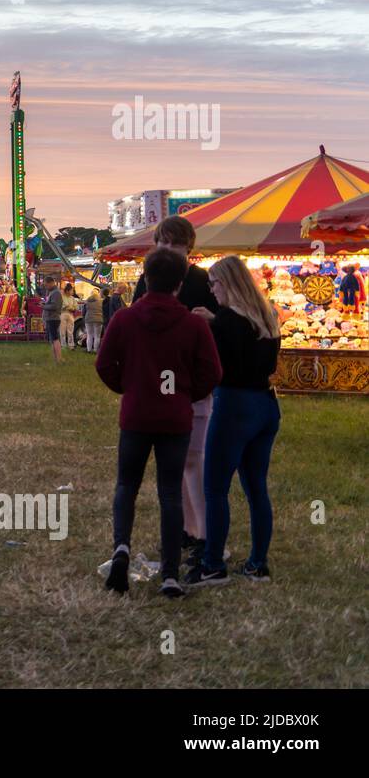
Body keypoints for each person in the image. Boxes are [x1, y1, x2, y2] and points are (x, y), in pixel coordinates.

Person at [95, 247, 222, 598]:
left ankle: (122, 546)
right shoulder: (194, 324)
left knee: (127, 485)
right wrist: (186, 394)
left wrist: (129, 387)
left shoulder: (124, 319)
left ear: (146, 279)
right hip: (175, 417)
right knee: (170, 493)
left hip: (137, 413)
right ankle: (169, 574)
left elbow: (104, 365)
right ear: (179, 284)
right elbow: (213, 371)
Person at [185, 256, 282, 587]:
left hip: (234, 404)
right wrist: (216, 319)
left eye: (214, 284)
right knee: (256, 489)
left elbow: (220, 362)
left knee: (215, 487)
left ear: (227, 283)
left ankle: (212, 564)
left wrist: (210, 324)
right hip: (267, 405)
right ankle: (258, 563)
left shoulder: (225, 321)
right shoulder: (267, 316)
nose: (211, 291)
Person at [130, 215, 219, 566]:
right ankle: (186, 529)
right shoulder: (147, 280)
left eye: (175, 244)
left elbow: (220, 328)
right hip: (156, 383)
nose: (168, 250)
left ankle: (205, 535)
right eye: (162, 244)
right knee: (174, 466)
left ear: (188, 248)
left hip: (189, 384)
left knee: (193, 463)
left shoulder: (202, 281)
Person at [41, 276, 63, 363]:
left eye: (46, 285)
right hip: (51, 318)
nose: (46, 287)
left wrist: (44, 306)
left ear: (51, 283)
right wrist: (45, 304)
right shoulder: (53, 292)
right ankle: (56, 358)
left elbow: (55, 306)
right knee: (53, 339)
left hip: (53, 318)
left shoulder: (56, 293)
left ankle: (58, 358)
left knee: (55, 339)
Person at [60, 283, 79, 350]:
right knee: (62, 331)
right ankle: (63, 345)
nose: (72, 292)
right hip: (63, 314)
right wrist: (65, 307)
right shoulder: (61, 297)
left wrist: (73, 308)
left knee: (70, 331)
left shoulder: (72, 298)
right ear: (67, 291)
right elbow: (59, 306)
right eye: (71, 290)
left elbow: (76, 307)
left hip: (70, 314)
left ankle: (71, 345)